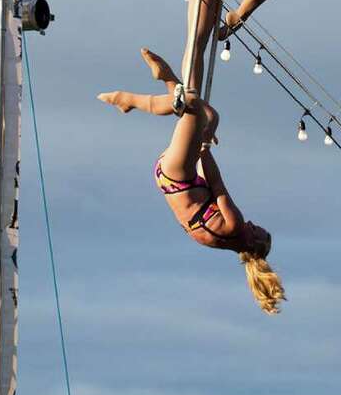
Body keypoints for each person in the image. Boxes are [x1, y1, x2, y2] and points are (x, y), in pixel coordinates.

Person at [99, 49, 285, 313]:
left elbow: (217, 183)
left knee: (194, 107)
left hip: (178, 174)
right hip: (177, 178)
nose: (255, 225)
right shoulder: (221, 241)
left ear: (253, 243)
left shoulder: (234, 225)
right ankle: (167, 77)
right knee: (209, 116)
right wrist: (203, 141)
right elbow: (204, 194)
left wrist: (205, 148)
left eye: (259, 231)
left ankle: (127, 100)